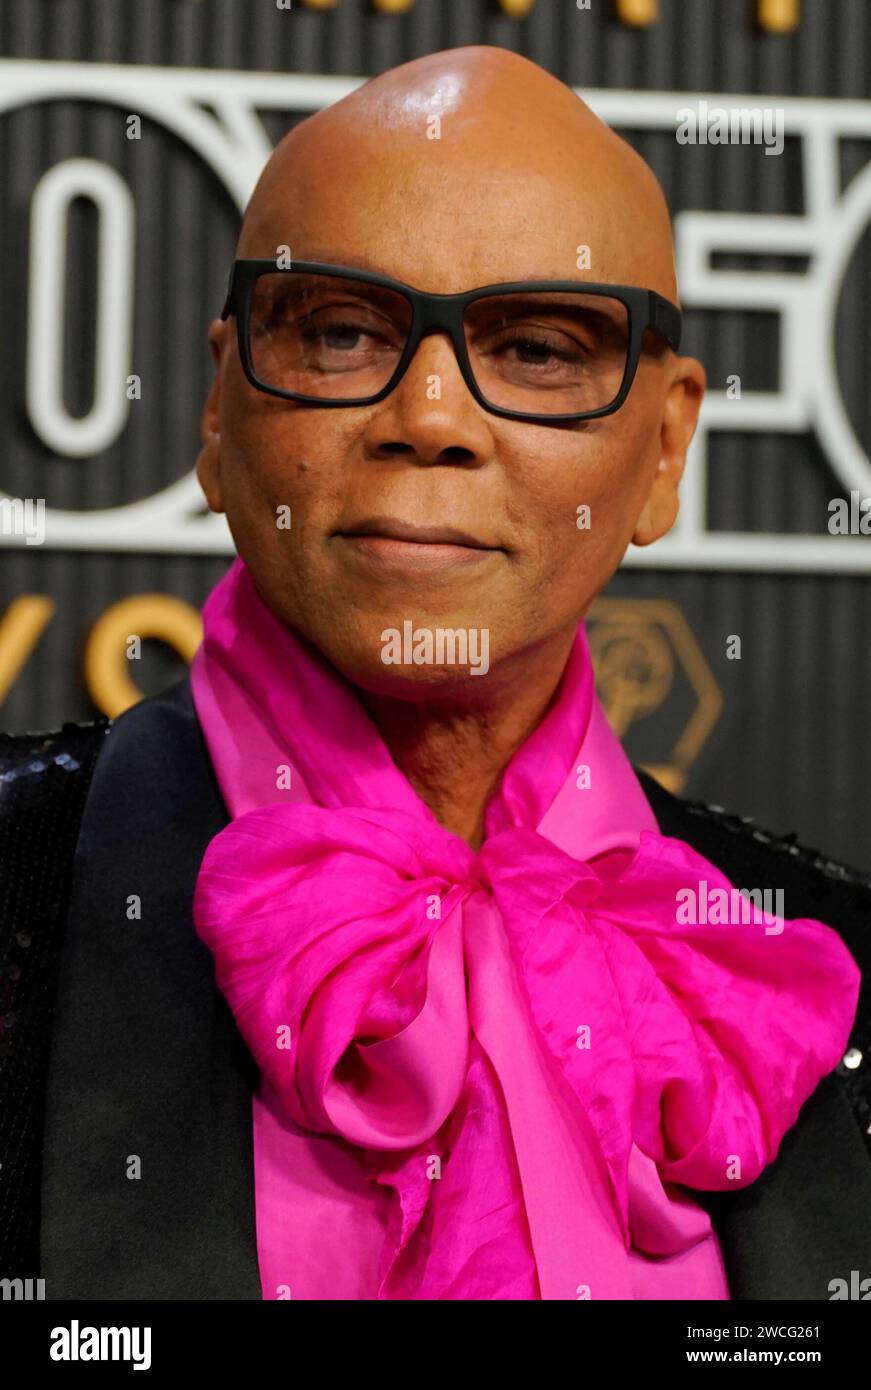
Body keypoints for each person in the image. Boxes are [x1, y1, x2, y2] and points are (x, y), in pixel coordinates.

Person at [1, 45, 869, 1302]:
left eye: (537, 350)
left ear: (667, 447)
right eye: (342, 330)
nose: (431, 415)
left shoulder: (816, 959)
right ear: (216, 412)